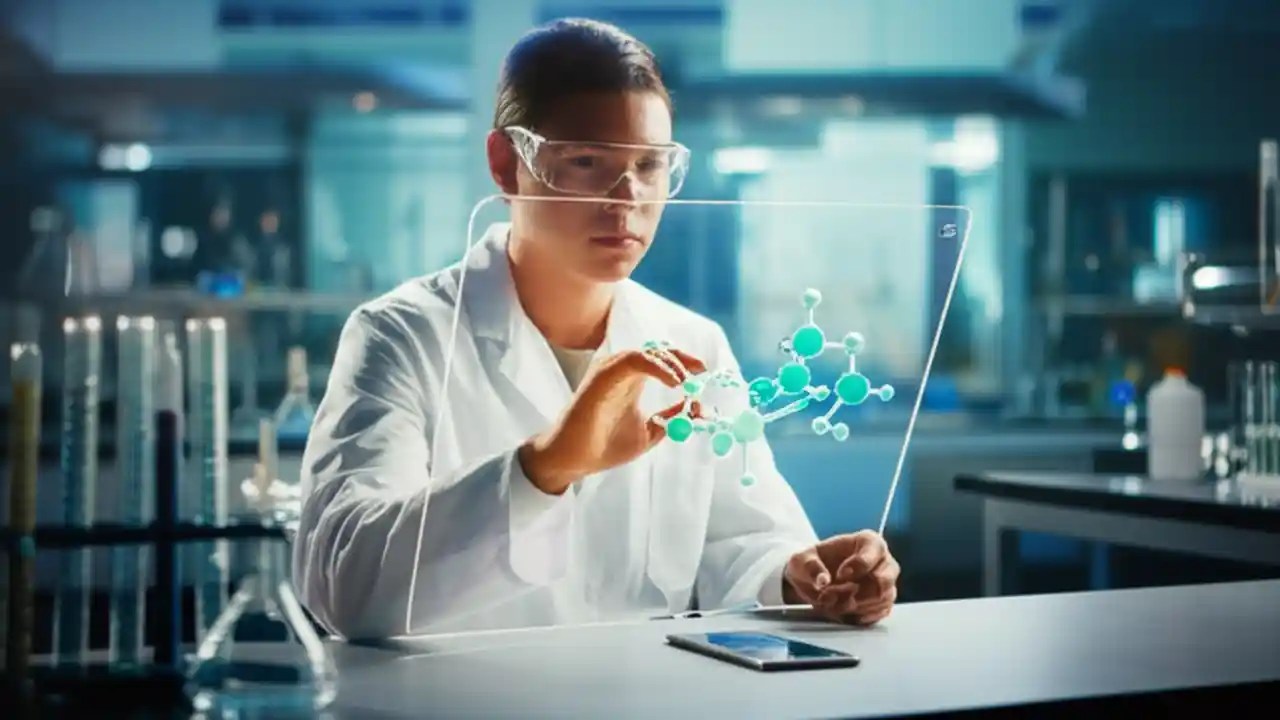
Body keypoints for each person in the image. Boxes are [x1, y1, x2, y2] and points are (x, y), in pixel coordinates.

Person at [293, 18, 900, 640]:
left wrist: (800, 576)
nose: (626, 197)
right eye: (586, 161)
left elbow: (742, 541)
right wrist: (545, 468)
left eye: (649, 165)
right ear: (506, 164)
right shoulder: (401, 338)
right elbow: (345, 588)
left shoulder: (693, 345)